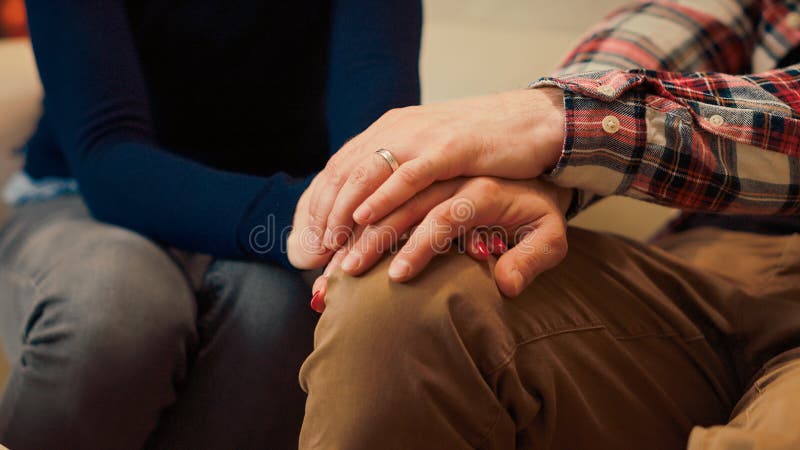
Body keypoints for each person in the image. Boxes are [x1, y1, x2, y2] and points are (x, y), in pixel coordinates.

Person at [291, 0, 800, 449]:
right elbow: (665, 30)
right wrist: (546, 162)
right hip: (712, 263)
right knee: (401, 290)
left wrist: (561, 126)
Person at [0, 1, 421, 449]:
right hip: (84, 195)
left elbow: (372, 140)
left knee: (275, 316)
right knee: (113, 310)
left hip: (283, 196)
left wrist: (350, 215)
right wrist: (297, 218)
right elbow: (106, 154)